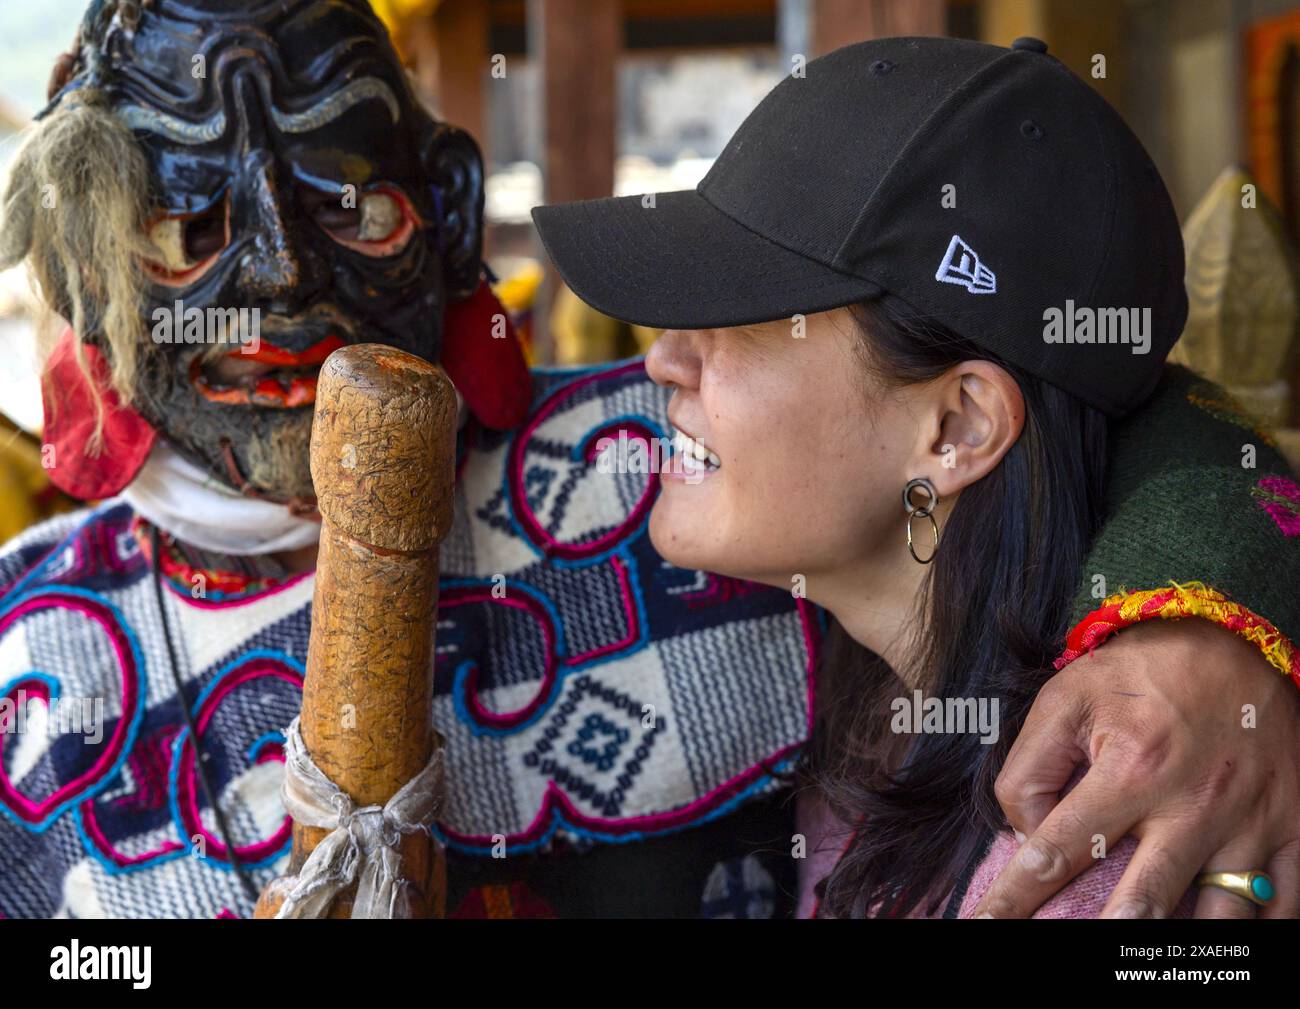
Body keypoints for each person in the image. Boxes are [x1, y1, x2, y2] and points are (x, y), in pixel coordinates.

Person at [0, 3, 1294, 918]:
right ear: (75, 255)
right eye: (184, 223)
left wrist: (1194, 616)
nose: (281, 273)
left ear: (443, 208)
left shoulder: (631, 476)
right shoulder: (28, 651)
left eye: (353, 205)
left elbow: (1086, 402)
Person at [532, 35, 1300, 917]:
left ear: (958, 426)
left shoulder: (1081, 855)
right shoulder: (879, 694)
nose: (664, 359)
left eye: (738, 312)